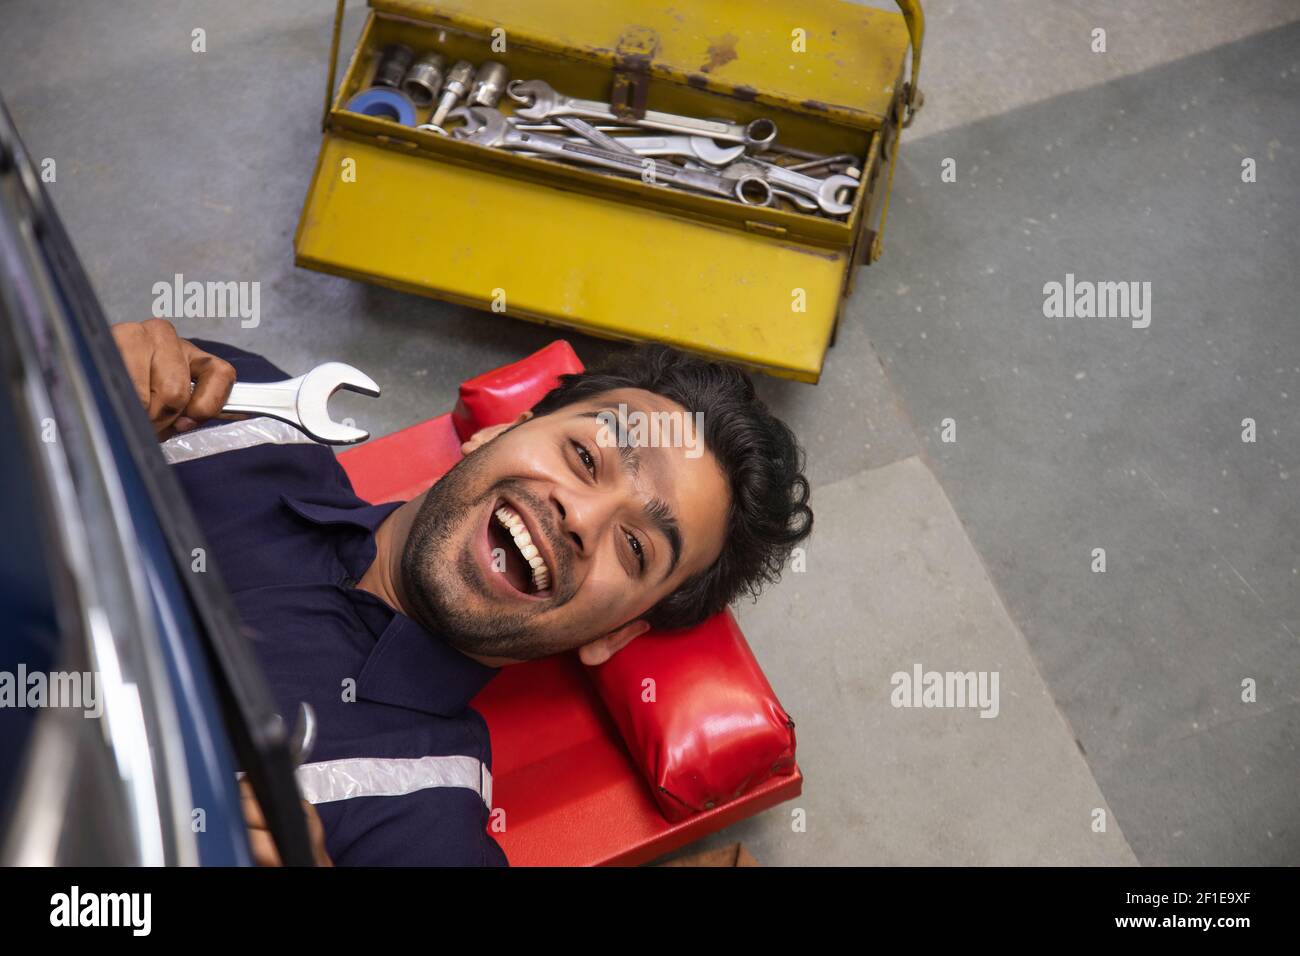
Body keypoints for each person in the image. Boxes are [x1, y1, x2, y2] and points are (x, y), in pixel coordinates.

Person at [111, 318, 813, 866]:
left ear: (615, 634)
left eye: (635, 548)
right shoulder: (236, 412)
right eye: (586, 456)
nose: (581, 517)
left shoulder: (424, 826)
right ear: (496, 434)